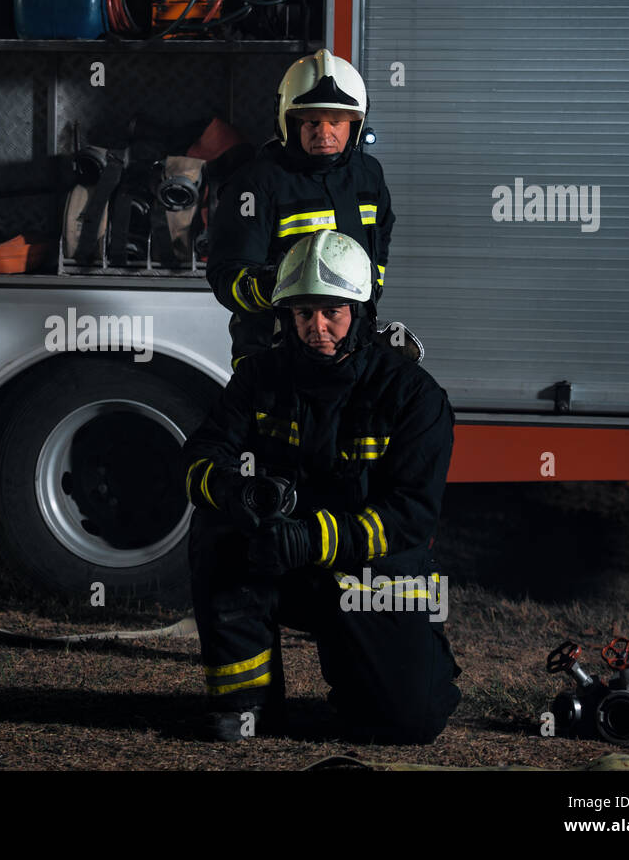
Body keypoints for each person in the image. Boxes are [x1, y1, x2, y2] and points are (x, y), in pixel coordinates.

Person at [183, 230, 460, 742]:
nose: (317, 328)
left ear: (361, 311)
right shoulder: (259, 377)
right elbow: (200, 457)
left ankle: (383, 676)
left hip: (371, 573)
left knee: (406, 723)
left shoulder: (412, 396)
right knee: (216, 531)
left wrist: (315, 538)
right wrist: (232, 493)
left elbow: (411, 517)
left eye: (332, 311)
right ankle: (248, 704)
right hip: (276, 558)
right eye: (303, 312)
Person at [207, 50, 395, 368]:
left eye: (336, 121)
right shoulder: (256, 183)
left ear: (356, 123)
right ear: (289, 120)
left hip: (349, 348)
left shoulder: (368, 175)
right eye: (311, 122)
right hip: (272, 354)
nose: (325, 133)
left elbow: (380, 243)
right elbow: (227, 277)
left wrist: (366, 293)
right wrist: (277, 287)